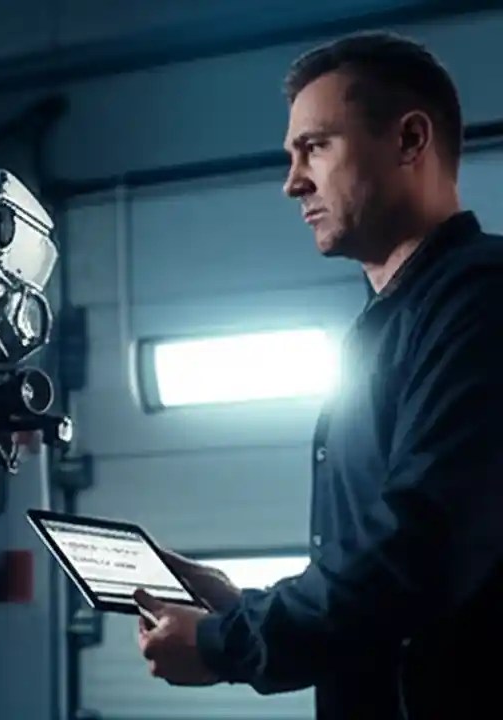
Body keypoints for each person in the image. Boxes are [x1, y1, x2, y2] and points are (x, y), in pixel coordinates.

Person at [131, 30, 503, 719]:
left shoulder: (482, 301)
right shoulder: (387, 325)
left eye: (316, 147)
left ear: (410, 140)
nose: (292, 182)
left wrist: (226, 644)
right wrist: (244, 606)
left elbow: (422, 544)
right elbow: (373, 560)